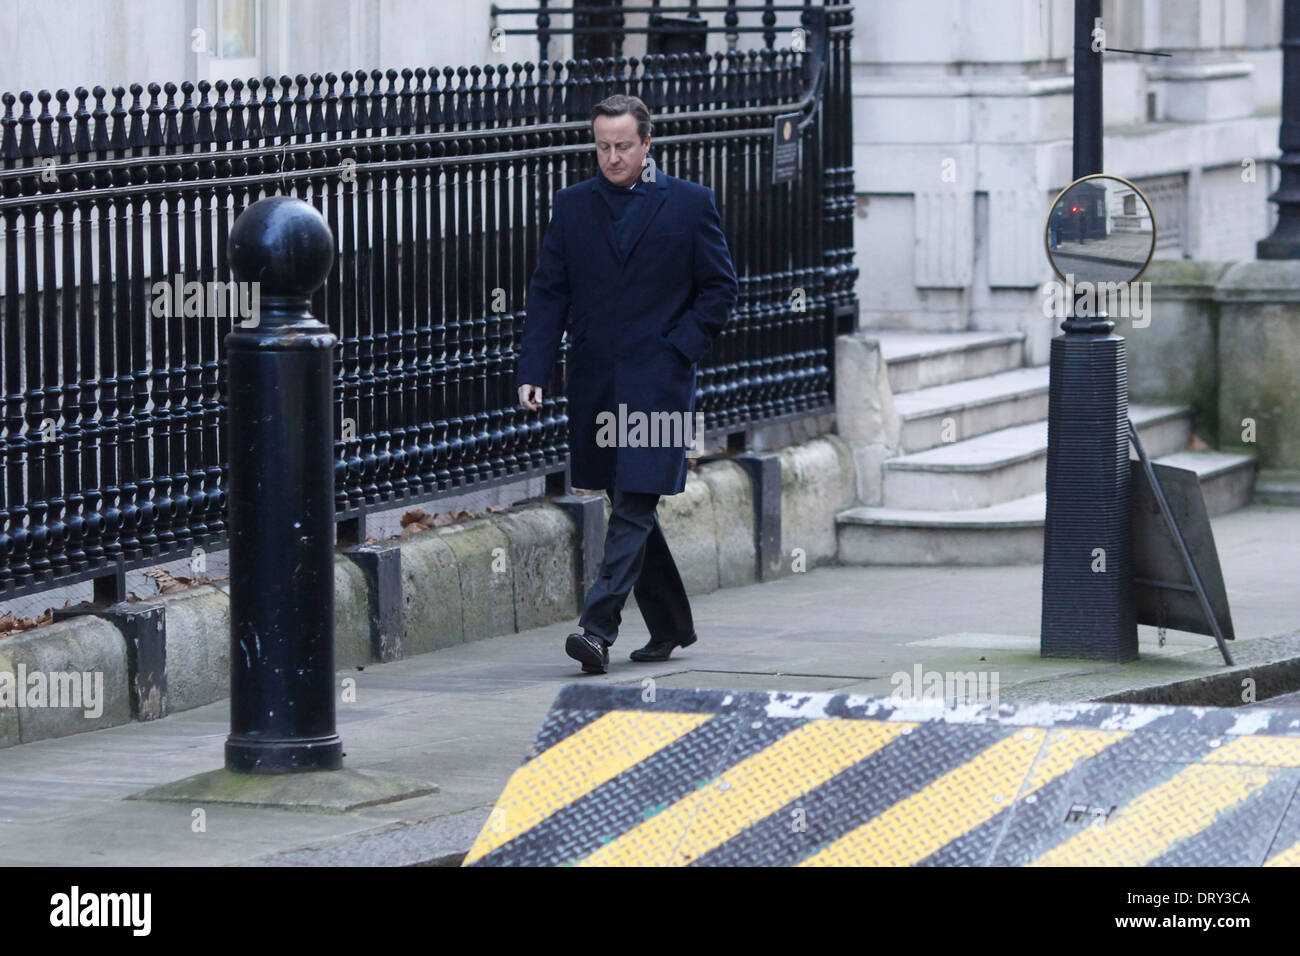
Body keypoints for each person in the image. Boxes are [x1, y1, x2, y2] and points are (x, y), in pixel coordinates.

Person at [515, 93, 739, 675]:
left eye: (623, 146)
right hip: (596, 379)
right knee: (626, 498)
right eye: (602, 146)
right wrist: (534, 370)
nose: (612, 157)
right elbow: (549, 292)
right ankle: (670, 625)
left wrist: (679, 349)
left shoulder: (690, 205)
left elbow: (720, 288)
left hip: (660, 381)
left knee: (636, 498)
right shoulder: (572, 206)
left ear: (647, 144)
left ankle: (597, 628)